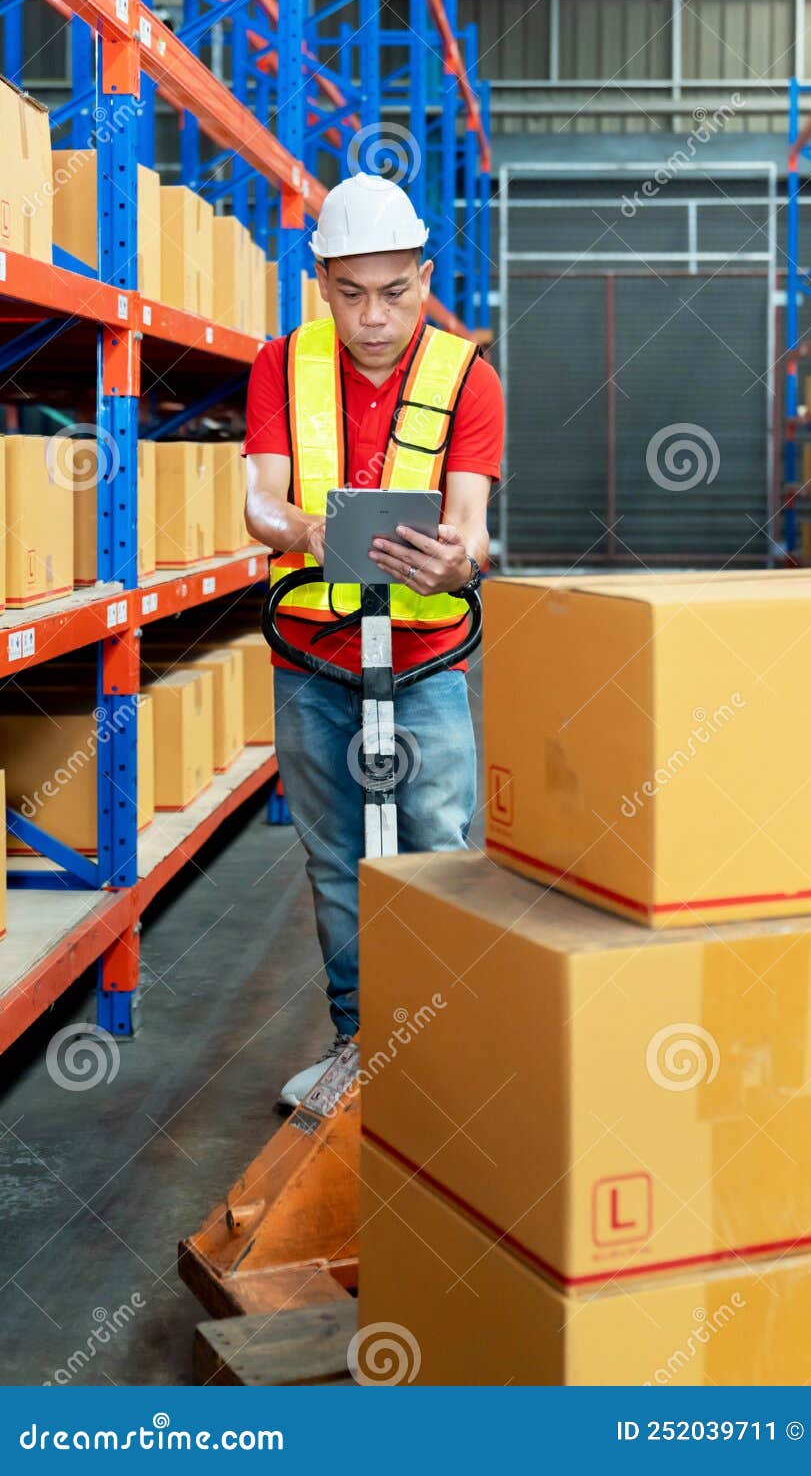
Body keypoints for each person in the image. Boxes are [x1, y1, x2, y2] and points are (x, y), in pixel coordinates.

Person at [243, 172, 504, 1107]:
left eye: (395, 292)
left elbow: (471, 525)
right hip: (312, 651)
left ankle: (443, 1051)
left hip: (426, 657)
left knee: (433, 842)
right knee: (336, 852)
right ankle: (360, 1045)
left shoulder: (468, 377)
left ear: (423, 277)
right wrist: (304, 531)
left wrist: (456, 565)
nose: (373, 317)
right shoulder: (279, 365)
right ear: (321, 283)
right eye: (350, 293)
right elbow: (259, 502)